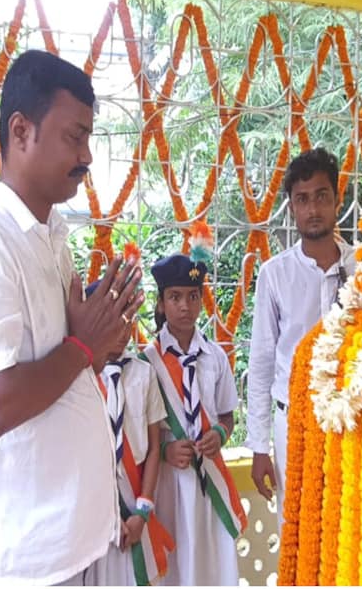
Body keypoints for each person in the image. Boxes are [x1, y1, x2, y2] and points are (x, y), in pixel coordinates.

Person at [0, 50, 143, 585]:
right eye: (74, 136)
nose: (86, 156)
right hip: (10, 559)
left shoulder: (52, 237)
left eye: (88, 139)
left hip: (63, 547)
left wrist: (100, 340)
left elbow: (63, 360)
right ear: (21, 130)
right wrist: (82, 347)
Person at [245, 148, 355, 522]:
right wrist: (260, 446)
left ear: (337, 200)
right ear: (291, 207)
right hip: (293, 425)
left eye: (322, 196)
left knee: (352, 530)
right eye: (302, 200)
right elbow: (260, 365)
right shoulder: (275, 275)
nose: (313, 209)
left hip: (353, 418)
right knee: (298, 529)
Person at [145, 236, 244, 586]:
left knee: (208, 560)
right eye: (174, 297)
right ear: (161, 304)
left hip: (208, 481)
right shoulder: (147, 362)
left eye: (191, 297)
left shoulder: (215, 356)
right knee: (173, 564)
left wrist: (218, 435)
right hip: (168, 481)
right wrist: (167, 450)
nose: (184, 306)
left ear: (201, 301)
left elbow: (228, 414)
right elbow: (138, 430)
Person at [82, 268, 176, 587]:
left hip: (136, 508)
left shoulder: (143, 374)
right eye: (113, 320)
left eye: (128, 318)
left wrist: (143, 510)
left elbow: (151, 450)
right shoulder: (79, 378)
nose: (122, 329)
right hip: (94, 518)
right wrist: (105, 516)